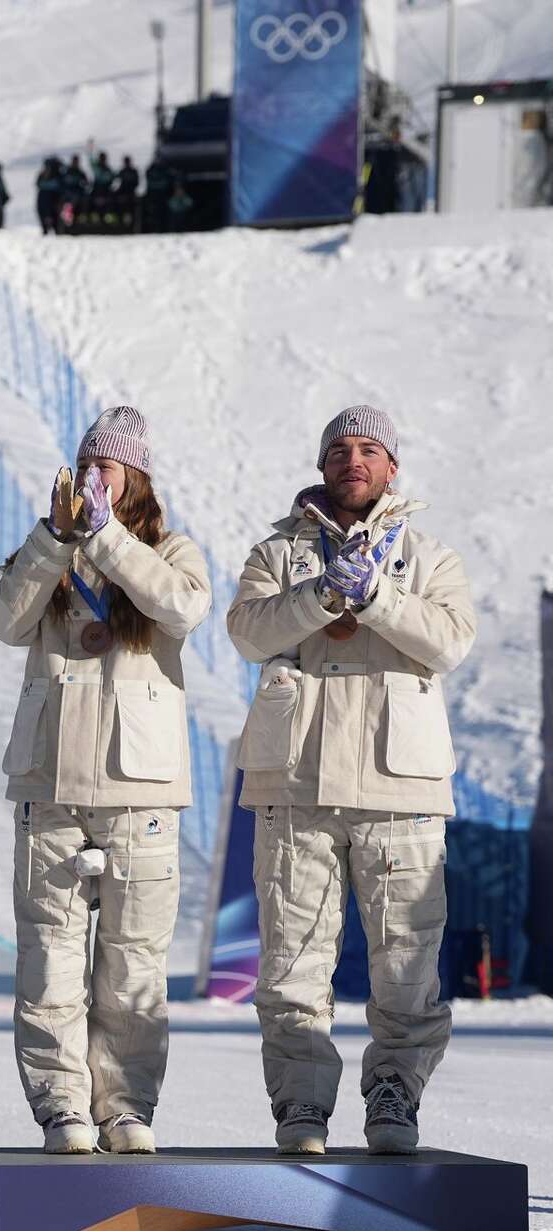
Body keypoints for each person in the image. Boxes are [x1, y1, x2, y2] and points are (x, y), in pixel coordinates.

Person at [227, 406, 475, 1156]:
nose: (352, 460)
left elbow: (450, 642)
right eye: (339, 449)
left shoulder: (431, 557)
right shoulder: (279, 552)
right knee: (293, 963)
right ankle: (301, 1105)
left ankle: (395, 1095)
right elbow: (248, 633)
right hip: (296, 785)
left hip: (398, 789)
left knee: (406, 964)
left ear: (392, 467)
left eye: (369, 449)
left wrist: (377, 596)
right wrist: (324, 594)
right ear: (322, 462)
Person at [0, 408, 210, 1156]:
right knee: (48, 958)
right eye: (84, 465)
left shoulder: (170, 548)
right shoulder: (46, 548)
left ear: (133, 475)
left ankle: (126, 1107)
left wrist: (109, 538)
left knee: (133, 963)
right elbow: (4, 621)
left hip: (137, 787)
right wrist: (56, 540)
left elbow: (182, 608)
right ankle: (62, 1105)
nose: (91, 479)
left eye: (104, 467)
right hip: (49, 781)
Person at [36, 158, 64, 236]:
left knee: (55, 216)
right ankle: (46, 227)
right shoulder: (42, 175)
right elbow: (38, 184)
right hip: (44, 199)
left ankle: (55, 229)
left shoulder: (58, 175)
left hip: (54, 199)